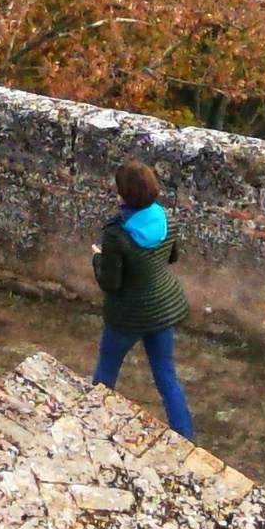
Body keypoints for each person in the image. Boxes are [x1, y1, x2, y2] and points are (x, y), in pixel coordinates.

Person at [90, 160, 192, 432]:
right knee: (166, 377)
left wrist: (98, 258)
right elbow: (172, 256)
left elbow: (110, 283)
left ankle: (91, 426)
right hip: (163, 309)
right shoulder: (165, 218)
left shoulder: (116, 235)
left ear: (123, 196)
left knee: (106, 372)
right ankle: (186, 438)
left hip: (128, 316)